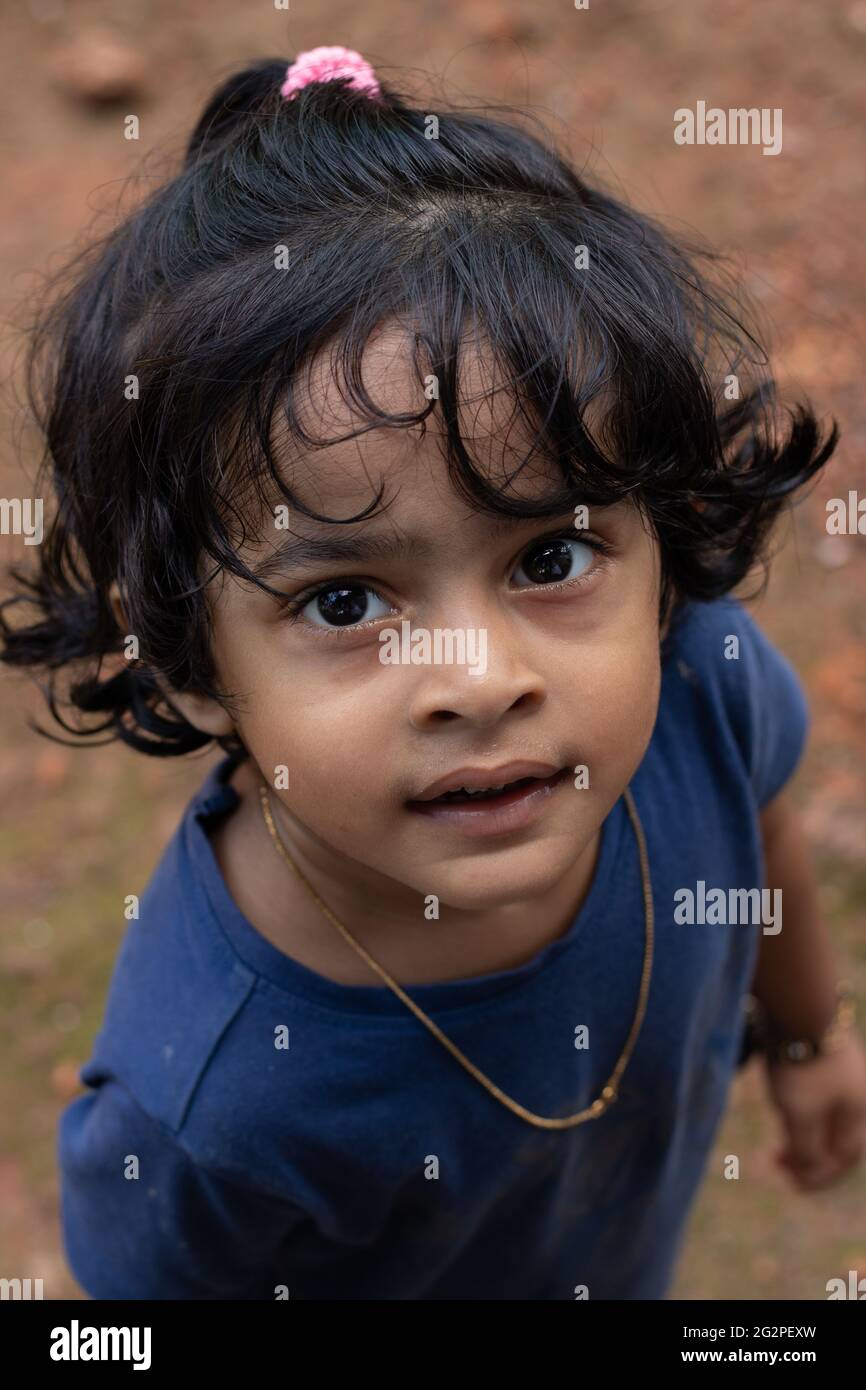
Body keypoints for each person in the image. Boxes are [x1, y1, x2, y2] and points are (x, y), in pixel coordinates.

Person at [2, 46, 864, 1300]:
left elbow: (761, 831)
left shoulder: (702, 688)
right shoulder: (213, 1103)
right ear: (187, 655)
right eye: (343, 600)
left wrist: (800, 1034)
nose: (476, 679)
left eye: (551, 555)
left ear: (662, 553)